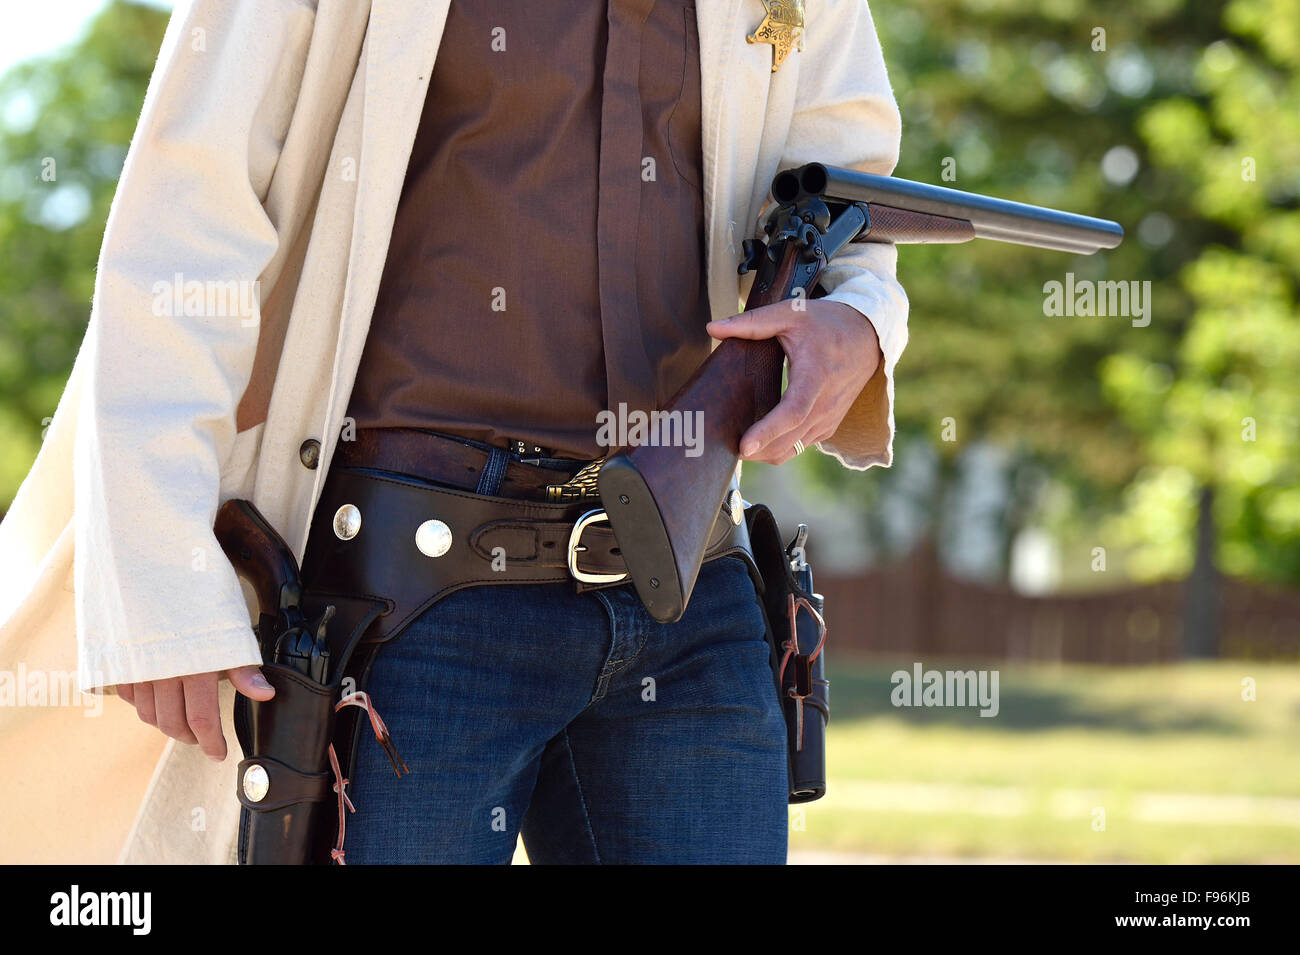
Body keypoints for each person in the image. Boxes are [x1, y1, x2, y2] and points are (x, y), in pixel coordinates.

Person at [0, 0, 908, 864]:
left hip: (690, 600)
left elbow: (847, 188)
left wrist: (859, 324)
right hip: (405, 615)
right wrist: (165, 586)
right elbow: (187, 223)